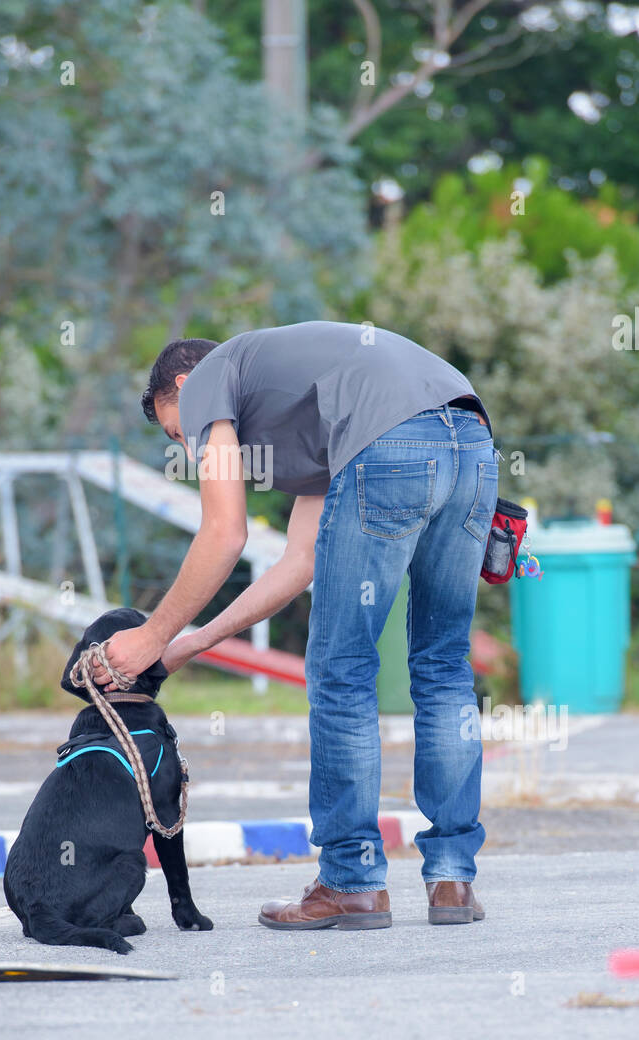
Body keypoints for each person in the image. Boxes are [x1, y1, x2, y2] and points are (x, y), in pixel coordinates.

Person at [92, 321, 498, 930]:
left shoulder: (209, 377)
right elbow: (298, 562)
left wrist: (148, 635)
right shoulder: (319, 418)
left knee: (342, 671)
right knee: (442, 665)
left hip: (394, 443)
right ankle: (452, 882)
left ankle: (352, 882)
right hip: (471, 443)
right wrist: (188, 644)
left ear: (183, 384)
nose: (192, 449)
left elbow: (225, 533)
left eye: (181, 432)